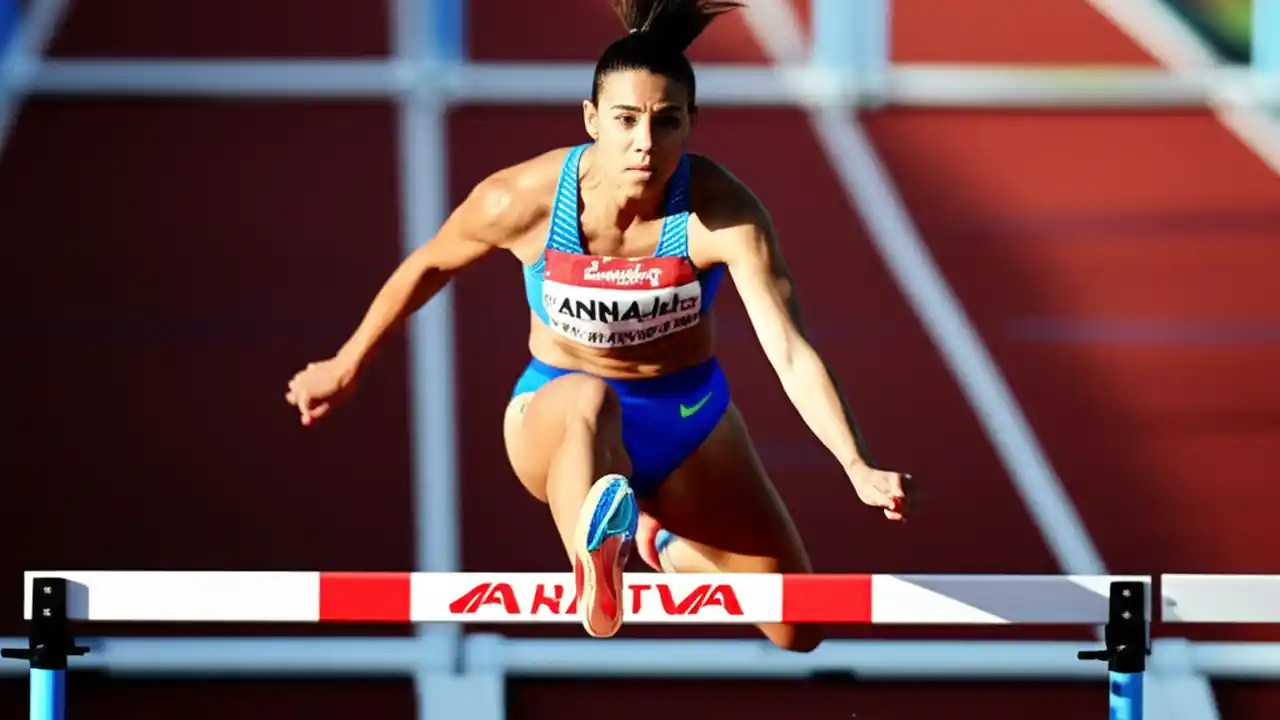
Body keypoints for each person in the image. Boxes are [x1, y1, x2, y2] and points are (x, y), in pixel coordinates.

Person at [284, 0, 913, 652]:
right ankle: (596, 563)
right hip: (556, 414)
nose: (645, 142)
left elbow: (788, 348)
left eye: (666, 122)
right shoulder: (520, 200)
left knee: (798, 628)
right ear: (591, 120)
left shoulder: (722, 215)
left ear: (691, 125)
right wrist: (347, 361)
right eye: (626, 120)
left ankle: (654, 542)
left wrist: (856, 463)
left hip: (687, 418)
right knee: (591, 396)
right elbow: (429, 265)